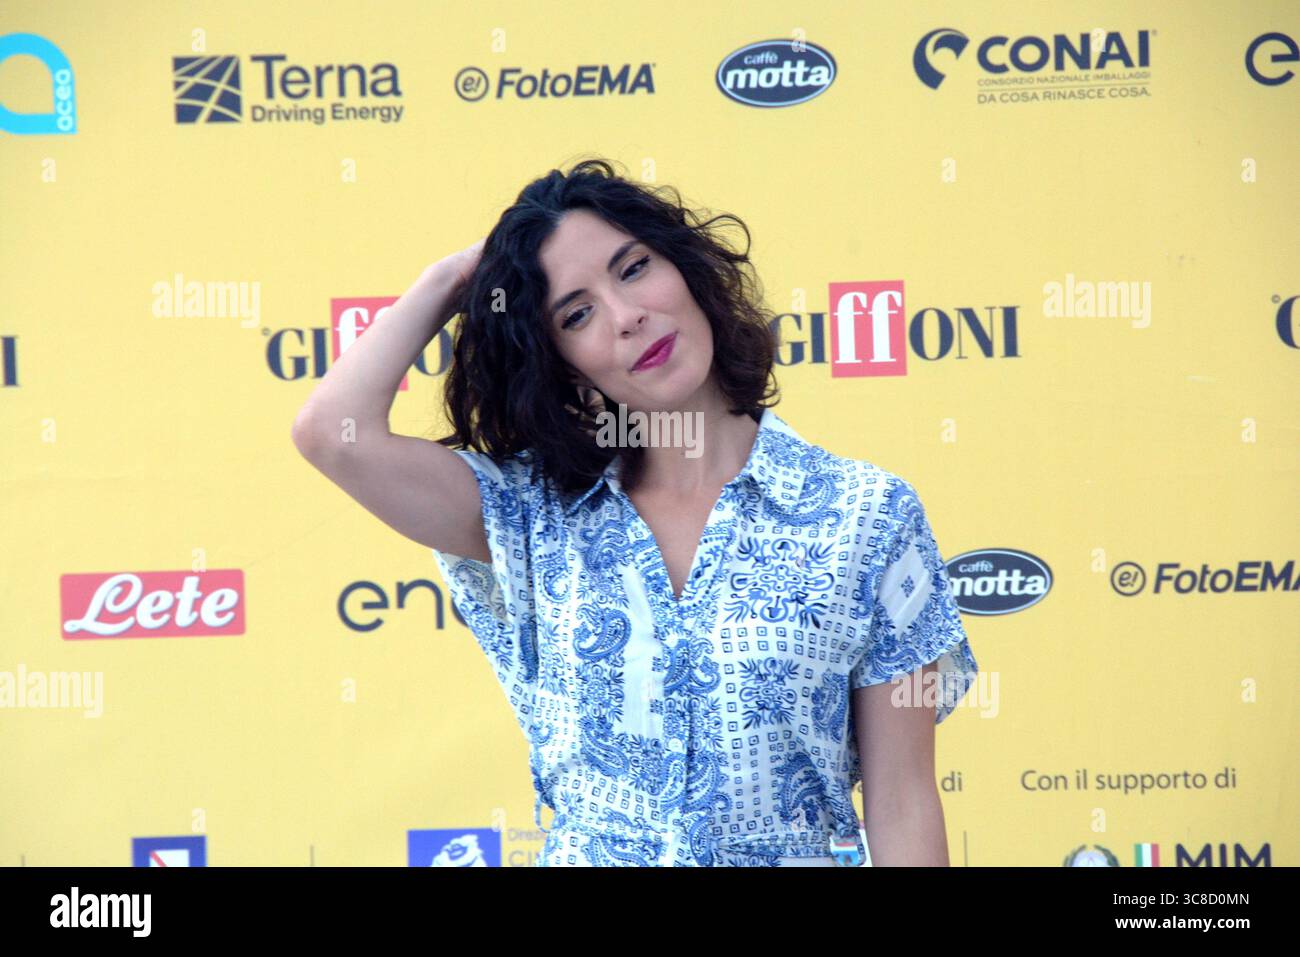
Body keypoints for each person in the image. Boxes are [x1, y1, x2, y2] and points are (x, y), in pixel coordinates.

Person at [292, 158, 979, 867]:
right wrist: (458, 279)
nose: (627, 317)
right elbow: (330, 432)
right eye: (577, 313)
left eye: (633, 268)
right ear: (559, 360)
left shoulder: (865, 514)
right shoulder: (531, 513)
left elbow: (903, 804)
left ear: (686, 268)